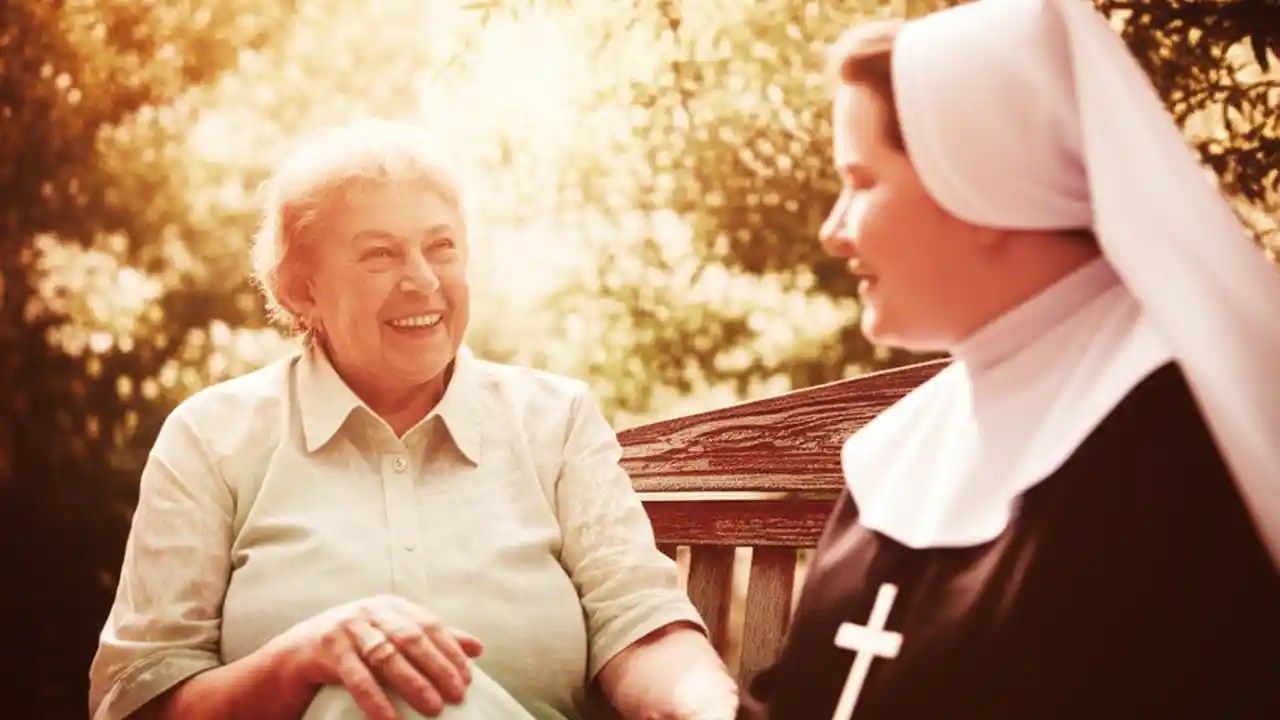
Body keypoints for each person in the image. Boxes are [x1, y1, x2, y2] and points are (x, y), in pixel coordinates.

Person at [89, 120, 737, 720]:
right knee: (362, 684)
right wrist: (298, 663)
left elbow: (640, 623)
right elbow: (137, 693)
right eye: (379, 255)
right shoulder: (213, 437)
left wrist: (713, 707)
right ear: (301, 287)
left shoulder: (554, 422)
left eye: (441, 247)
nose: (423, 280)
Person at [740, 0, 1280, 718]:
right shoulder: (903, 446)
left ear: (981, 181)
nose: (834, 231)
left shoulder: (1175, 450)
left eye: (863, 181)